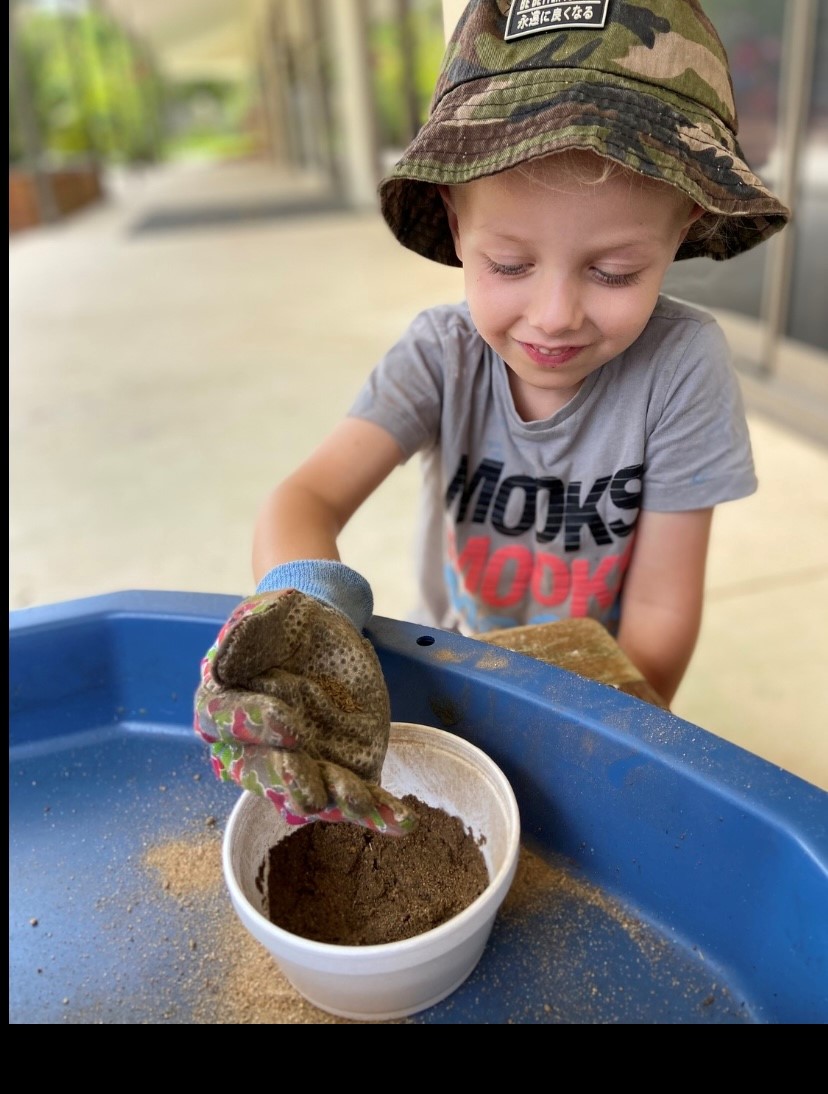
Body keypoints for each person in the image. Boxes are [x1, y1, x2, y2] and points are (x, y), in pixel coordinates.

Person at [194, 0, 789, 834]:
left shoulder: (682, 368)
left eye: (614, 271)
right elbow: (305, 502)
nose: (554, 316)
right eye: (509, 264)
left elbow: (659, 617)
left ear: (686, 220)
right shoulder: (441, 353)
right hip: (465, 663)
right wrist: (306, 603)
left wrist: (598, 730)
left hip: (597, 682)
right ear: (453, 219)